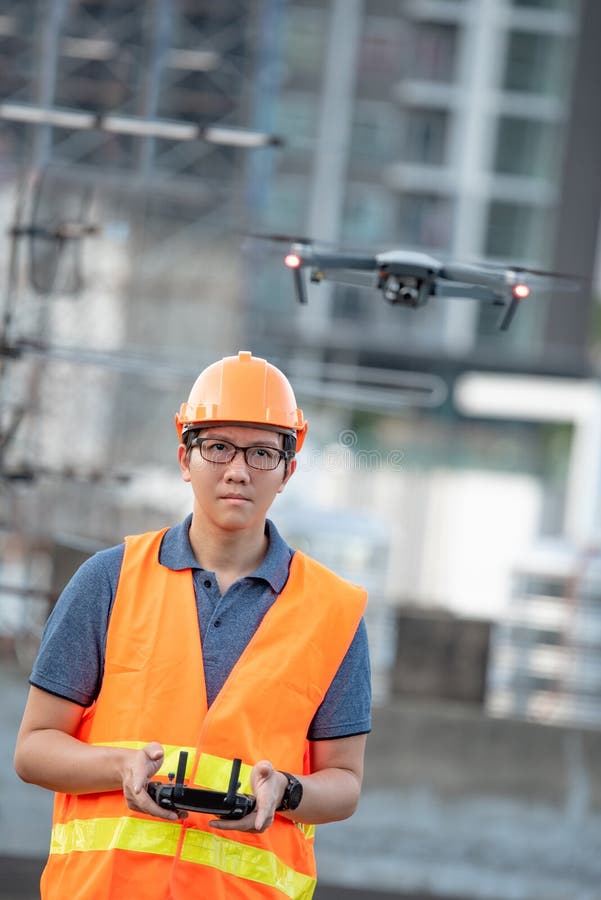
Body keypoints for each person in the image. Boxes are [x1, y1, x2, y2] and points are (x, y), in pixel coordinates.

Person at [14, 350, 371, 900]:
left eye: (261, 452)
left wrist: (288, 791)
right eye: (218, 446)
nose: (237, 469)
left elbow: (344, 784)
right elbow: (34, 748)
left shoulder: (334, 612)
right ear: (185, 457)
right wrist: (121, 767)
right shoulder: (108, 580)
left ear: (288, 470)